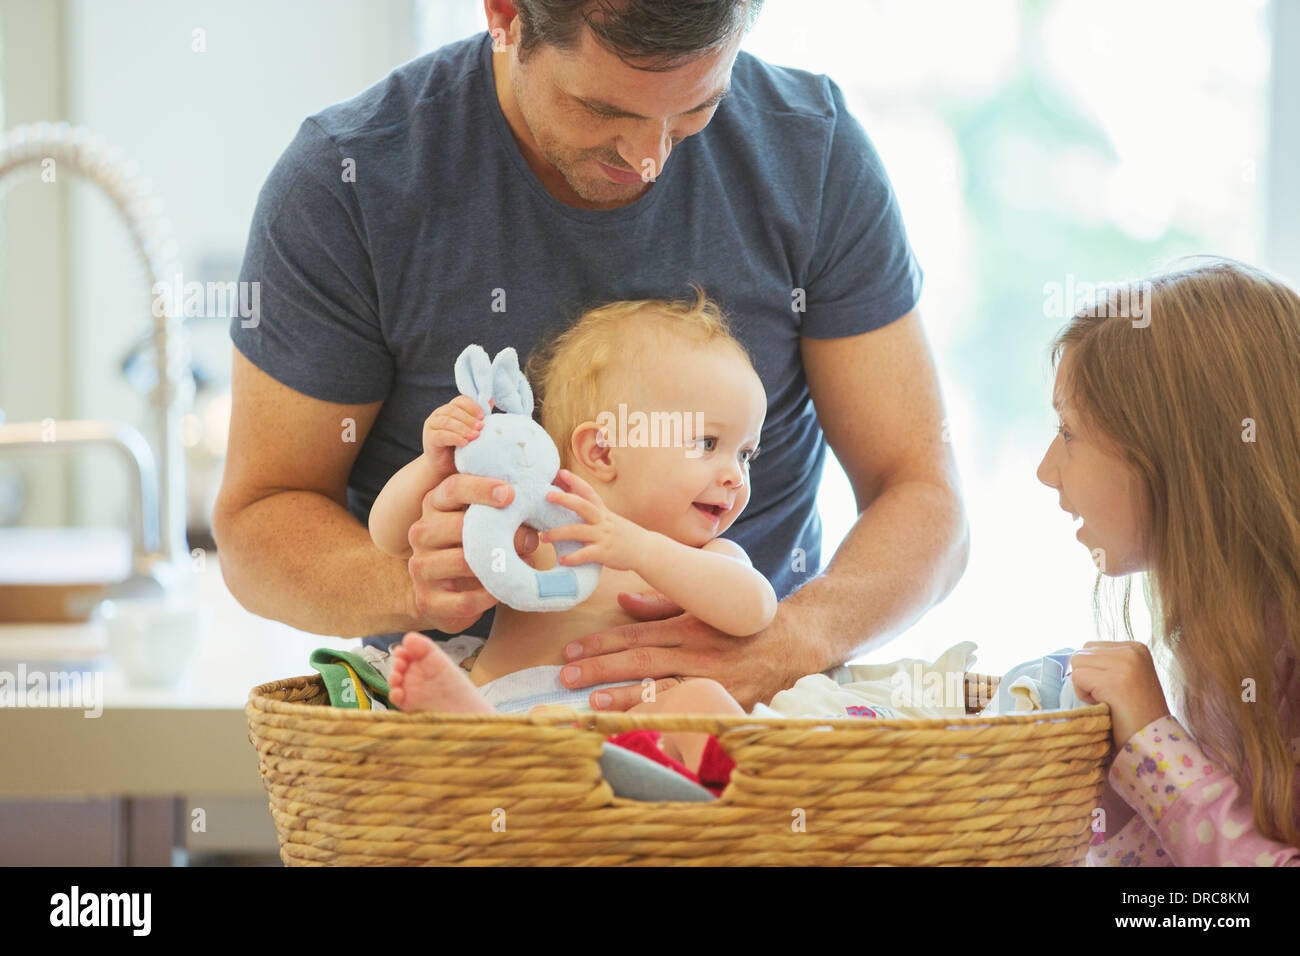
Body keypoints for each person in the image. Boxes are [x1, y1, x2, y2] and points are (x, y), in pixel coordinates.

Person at [214, 0, 969, 713]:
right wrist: (408, 581)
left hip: (743, 750)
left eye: (695, 111)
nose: (649, 161)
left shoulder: (811, 155)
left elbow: (924, 496)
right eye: (604, 111)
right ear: (506, 16)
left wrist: (788, 641)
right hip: (458, 761)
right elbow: (258, 524)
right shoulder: (350, 182)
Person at [371, 288, 769, 777]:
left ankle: (739, 808)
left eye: (745, 453)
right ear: (602, 451)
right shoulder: (540, 523)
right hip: (516, 714)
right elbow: (388, 536)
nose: (735, 475)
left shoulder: (705, 556)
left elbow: (754, 610)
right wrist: (433, 465)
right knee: (478, 724)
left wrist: (641, 548)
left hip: (626, 731)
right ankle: (462, 725)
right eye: (708, 443)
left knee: (705, 701)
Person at [1036, 257, 1300, 866]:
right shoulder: (1220, 641)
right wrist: (1110, 780)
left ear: (1175, 453)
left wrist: (1158, 754)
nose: (1046, 470)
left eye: (1069, 432)